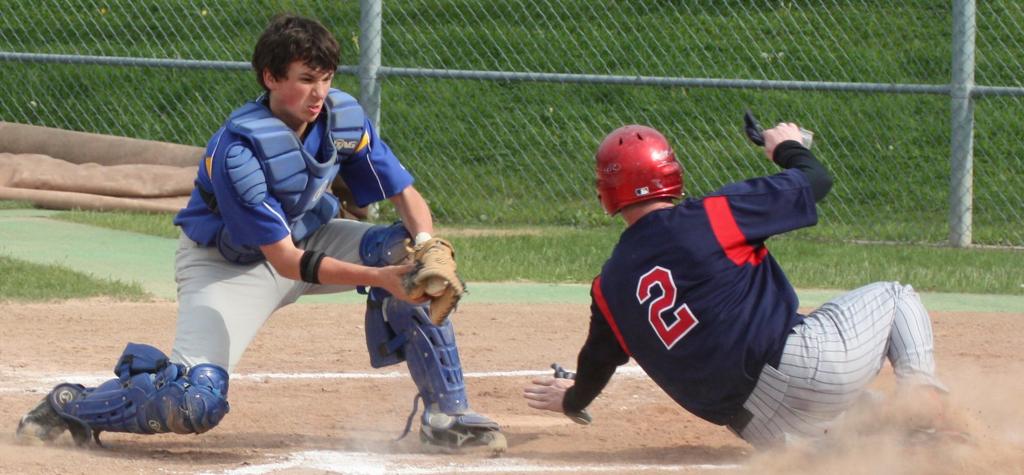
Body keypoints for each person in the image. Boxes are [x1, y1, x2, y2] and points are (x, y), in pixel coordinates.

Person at [16, 13, 505, 453]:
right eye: (306, 79)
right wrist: (381, 278)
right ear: (271, 78)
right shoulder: (240, 152)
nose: (319, 93)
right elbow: (286, 262)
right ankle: (71, 406)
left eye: (327, 78)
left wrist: (423, 247)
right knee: (193, 403)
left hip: (310, 238)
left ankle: (446, 416)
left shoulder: (341, 119)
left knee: (411, 256)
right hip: (227, 267)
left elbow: (406, 196)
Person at [523, 122, 963, 448]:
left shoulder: (609, 286)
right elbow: (817, 181)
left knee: (869, 414)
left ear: (608, 191)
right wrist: (787, 146)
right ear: (670, 173)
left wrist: (573, 400)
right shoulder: (709, 217)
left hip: (767, 430)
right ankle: (924, 406)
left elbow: (597, 363)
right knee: (895, 296)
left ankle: (913, 440)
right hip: (805, 370)